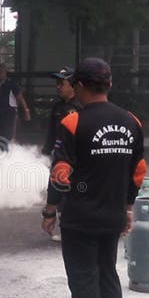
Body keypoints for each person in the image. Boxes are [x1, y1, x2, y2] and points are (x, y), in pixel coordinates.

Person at [41, 58, 147, 298]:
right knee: (106, 270)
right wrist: (127, 208)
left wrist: (49, 211)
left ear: (80, 86)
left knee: (83, 276)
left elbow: (60, 174)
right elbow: (138, 172)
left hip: (80, 217)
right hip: (112, 214)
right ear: (109, 85)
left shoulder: (74, 122)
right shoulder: (131, 122)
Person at [42, 67, 83, 242]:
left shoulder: (80, 107)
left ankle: (73, 229)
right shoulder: (57, 107)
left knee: (72, 192)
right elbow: (52, 133)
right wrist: (45, 151)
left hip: (75, 158)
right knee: (59, 190)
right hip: (59, 155)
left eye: (62, 83)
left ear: (73, 86)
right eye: (57, 83)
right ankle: (64, 227)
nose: (58, 87)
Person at [0, 64, 31, 142]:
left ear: (5, 72)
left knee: (9, 133)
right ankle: (1, 149)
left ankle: (11, 148)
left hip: (9, 112)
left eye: (2, 72)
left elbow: (20, 97)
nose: (0, 73)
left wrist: (26, 111)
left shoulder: (12, 84)